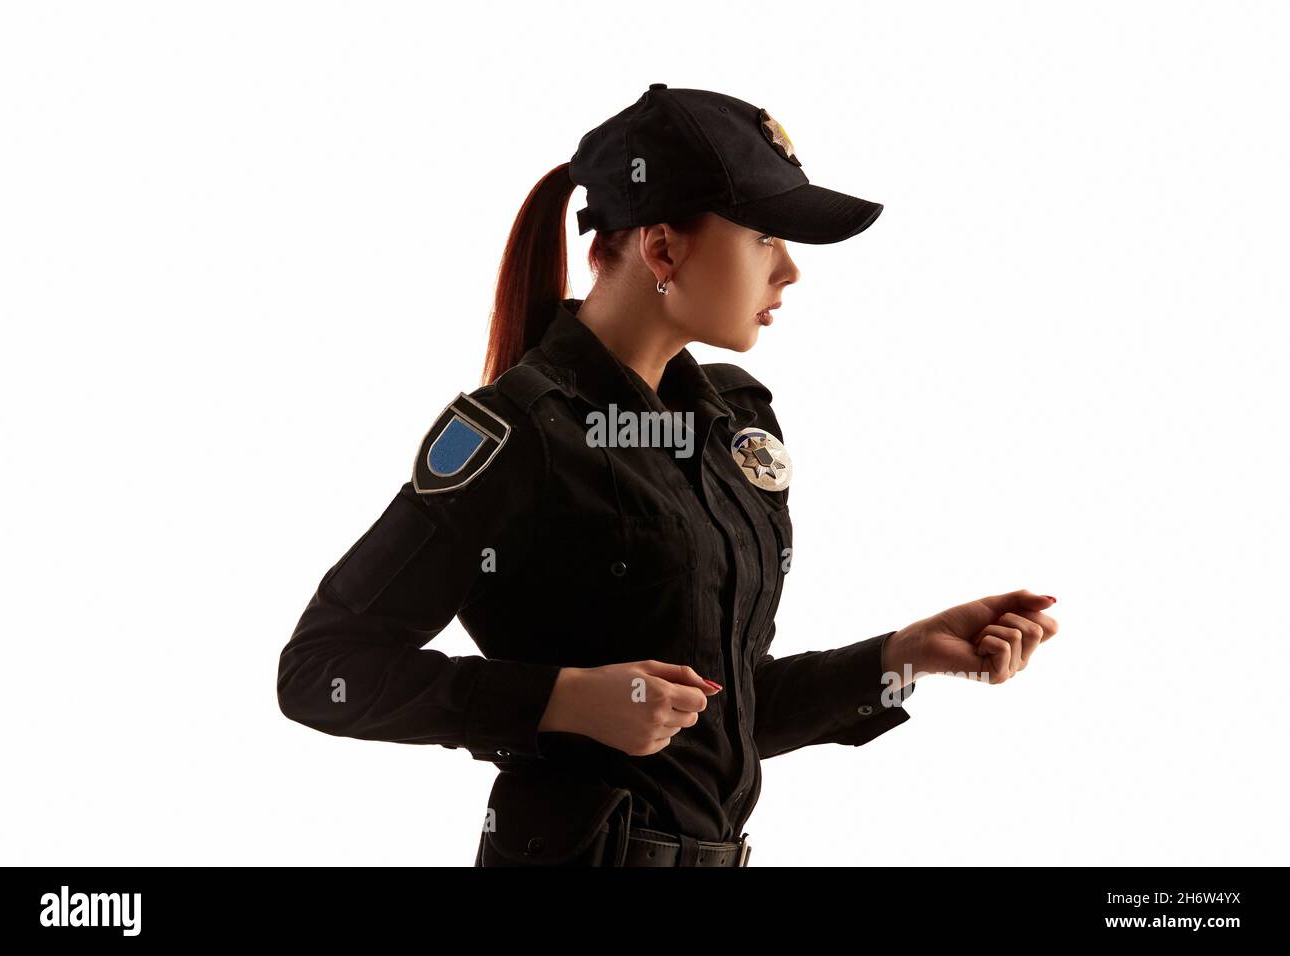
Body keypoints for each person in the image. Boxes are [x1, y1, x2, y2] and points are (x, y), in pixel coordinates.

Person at [275, 83, 1061, 867]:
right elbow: (321, 669)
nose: (790, 270)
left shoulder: (737, 424)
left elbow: (723, 713)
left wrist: (901, 658)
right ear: (661, 249)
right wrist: (556, 702)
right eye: (763, 236)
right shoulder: (518, 432)